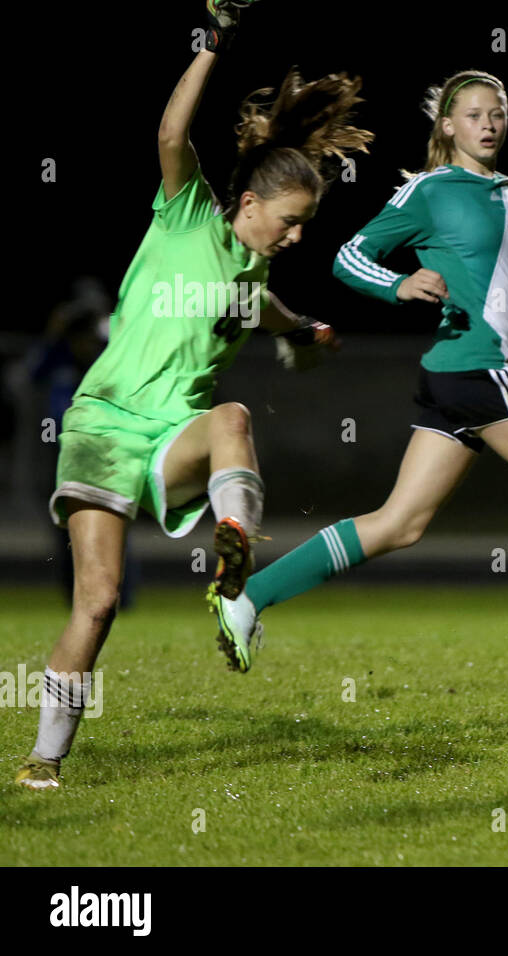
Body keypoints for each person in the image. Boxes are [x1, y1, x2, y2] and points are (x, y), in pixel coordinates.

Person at [208, 70, 508, 696]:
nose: (488, 124)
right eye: (475, 114)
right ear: (449, 126)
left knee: (400, 523)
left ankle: (248, 598)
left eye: (498, 113)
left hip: (462, 379)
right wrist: (398, 285)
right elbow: (349, 256)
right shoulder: (431, 191)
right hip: (478, 371)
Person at [14, 2, 372, 790]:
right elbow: (172, 137)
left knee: (233, 415)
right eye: (291, 221)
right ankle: (43, 760)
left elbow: (267, 310)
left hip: (171, 435)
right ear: (248, 206)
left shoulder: (255, 275)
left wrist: (304, 331)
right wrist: (212, 45)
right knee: (99, 602)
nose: (298, 235)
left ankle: (234, 554)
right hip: (106, 426)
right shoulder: (188, 219)